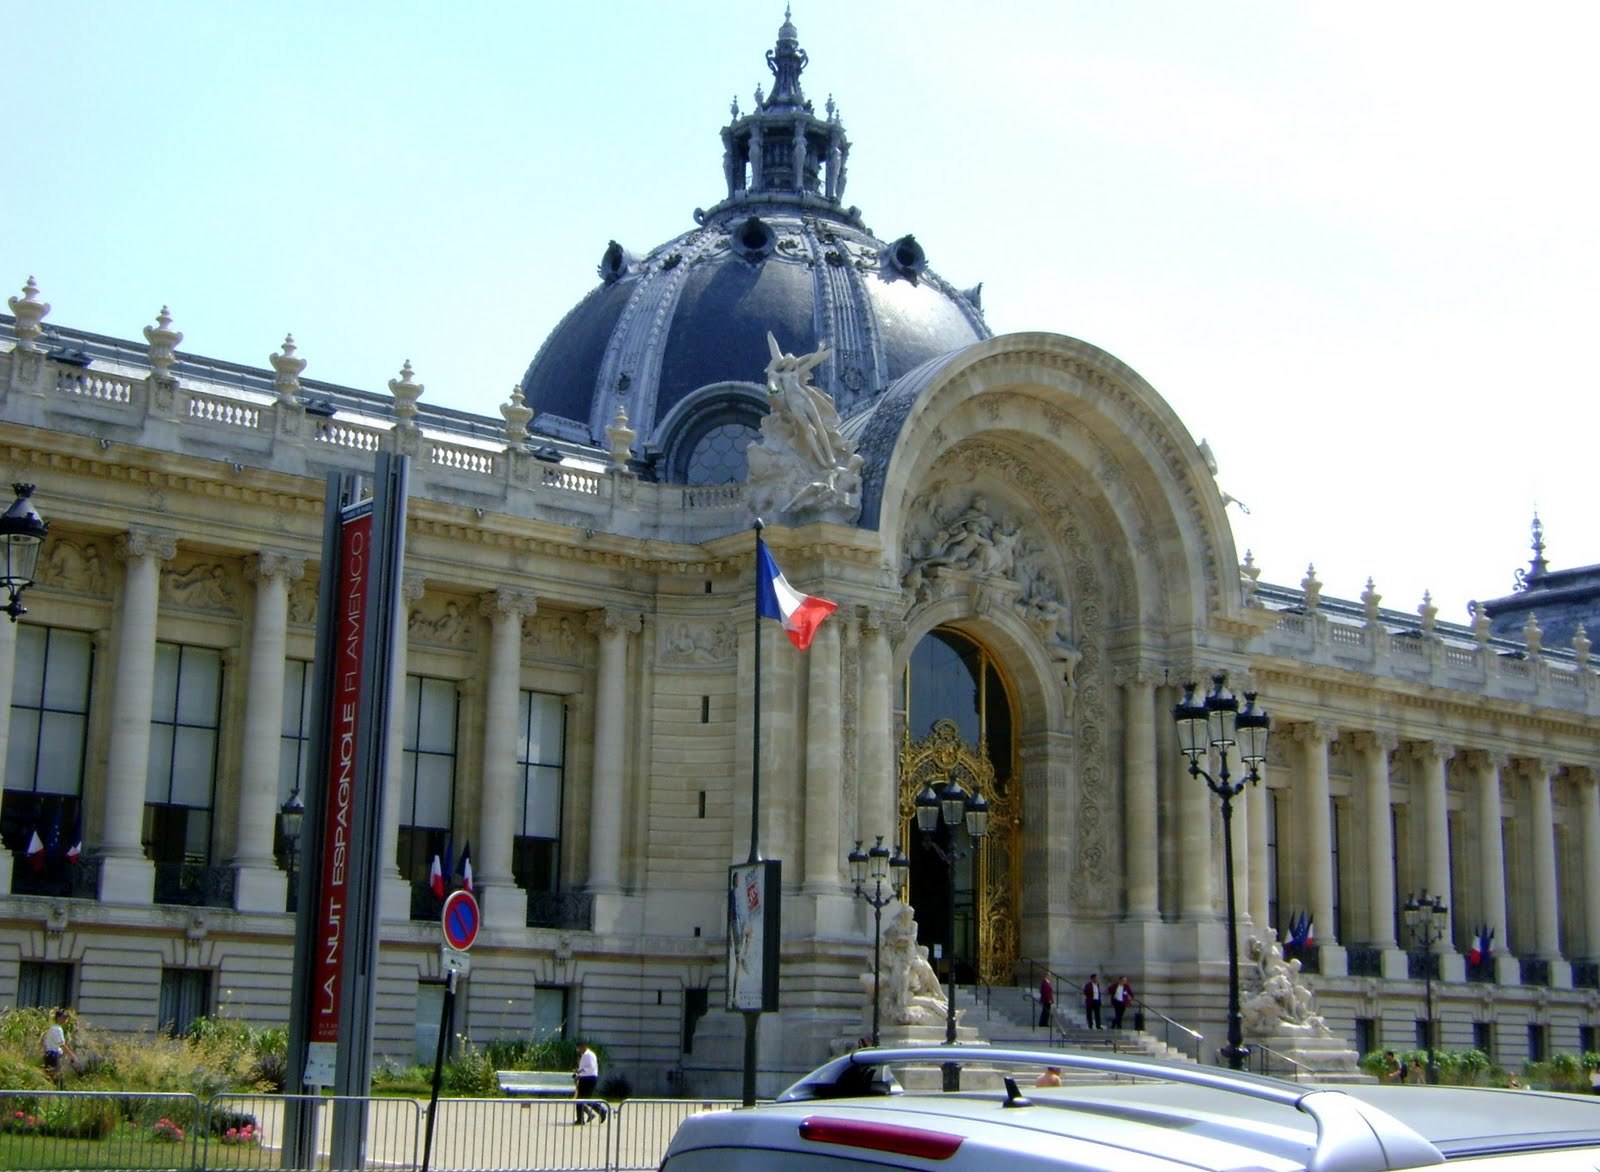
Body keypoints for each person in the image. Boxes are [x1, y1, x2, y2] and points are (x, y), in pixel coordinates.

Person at [573, 1042, 608, 1124]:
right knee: (580, 1099)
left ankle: (601, 1110)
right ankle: (580, 1119)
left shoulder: (589, 1055)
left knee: (585, 1099)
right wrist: (580, 1073)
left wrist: (580, 1070)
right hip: (585, 1078)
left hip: (589, 1079)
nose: (578, 1050)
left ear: (583, 1046)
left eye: (579, 1048)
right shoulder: (585, 1055)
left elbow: (591, 1068)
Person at [42, 1009, 74, 1083]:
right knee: (57, 1078)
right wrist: (72, 1056)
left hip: (49, 1055)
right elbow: (62, 1044)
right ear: (59, 1018)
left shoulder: (52, 1028)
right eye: (64, 1018)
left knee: (50, 1077)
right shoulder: (57, 1029)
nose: (66, 1020)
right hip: (53, 1055)